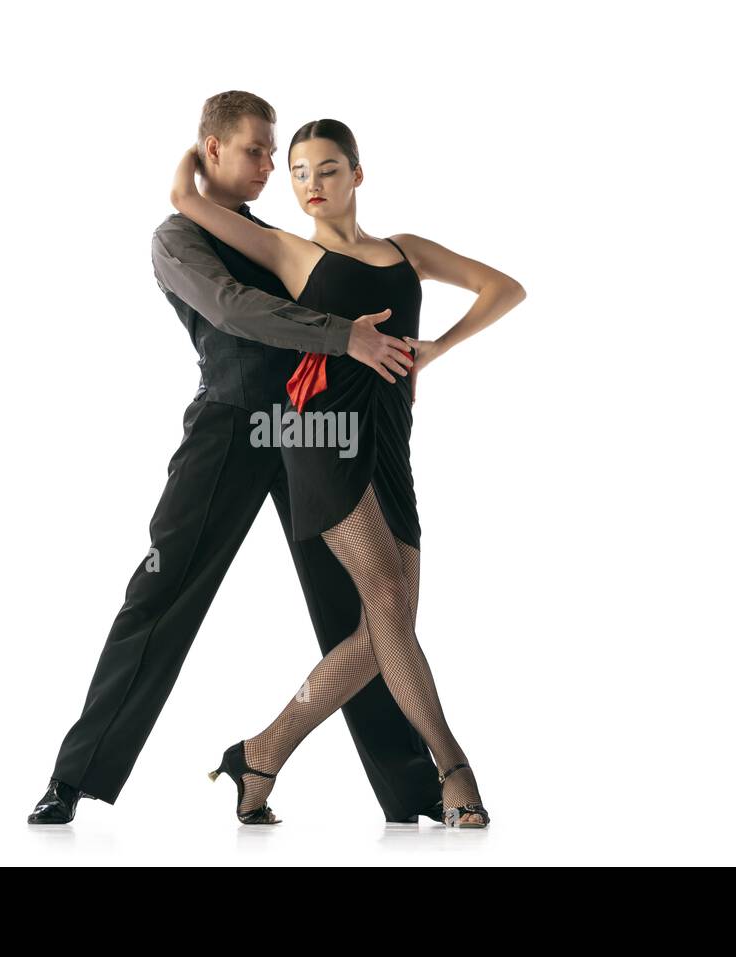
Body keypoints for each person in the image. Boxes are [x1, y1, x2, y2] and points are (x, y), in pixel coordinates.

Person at [28, 91, 446, 826]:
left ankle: (409, 789)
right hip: (228, 431)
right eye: (255, 150)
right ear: (211, 149)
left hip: (310, 432)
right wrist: (341, 333)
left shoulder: (273, 236)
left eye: (270, 152)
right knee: (160, 596)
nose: (267, 167)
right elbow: (231, 308)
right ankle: (75, 777)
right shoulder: (175, 239)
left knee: (370, 608)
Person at [170, 117, 527, 827]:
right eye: (297, 172)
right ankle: (454, 768)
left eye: (326, 169)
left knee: (381, 630)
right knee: (388, 598)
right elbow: (185, 197)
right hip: (322, 434)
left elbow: (504, 287)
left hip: (391, 440)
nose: (309, 184)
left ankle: (259, 754)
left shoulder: (407, 250)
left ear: (357, 175)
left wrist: (437, 349)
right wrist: (199, 146)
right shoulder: (288, 250)